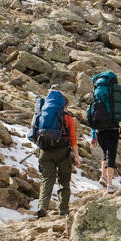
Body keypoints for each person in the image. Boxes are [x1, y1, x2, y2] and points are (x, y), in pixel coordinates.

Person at [28, 85, 79, 217]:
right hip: (62, 152)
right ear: (64, 104)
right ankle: (63, 210)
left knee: (47, 179)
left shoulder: (42, 114)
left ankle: (42, 207)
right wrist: (77, 157)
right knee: (64, 181)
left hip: (45, 152)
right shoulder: (68, 118)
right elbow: (73, 138)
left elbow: (33, 133)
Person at [86, 70, 121, 191]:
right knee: (111, 155)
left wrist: (93, 135)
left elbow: (91, 116)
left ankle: (103, 176)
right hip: (112, 130)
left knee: (105, 153)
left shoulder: (95, 99)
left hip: (99, 130)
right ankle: (110, 185)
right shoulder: (118, 101)